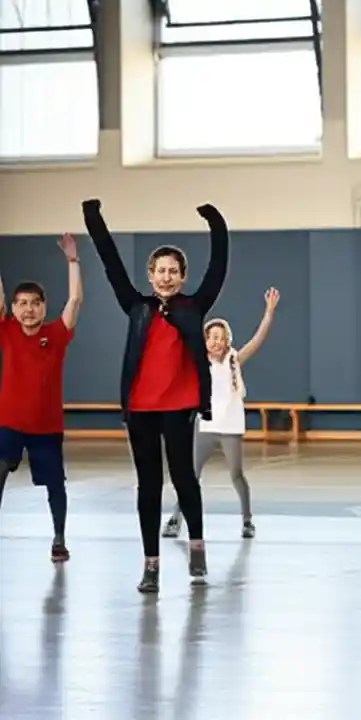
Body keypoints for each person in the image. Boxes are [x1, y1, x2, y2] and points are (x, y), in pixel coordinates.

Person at [82, 198, 229, 593]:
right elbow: (111, 262)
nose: (166, 277)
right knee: (148, 485)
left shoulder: (193, 307)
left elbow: (218, 268)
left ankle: (197, 545)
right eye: (160, 270)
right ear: (150, 275)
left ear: (182, 276)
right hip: (142, 407)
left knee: (184, 479)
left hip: (178, 407)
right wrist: (93, 217)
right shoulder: (137, 307)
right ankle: (151, 564)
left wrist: (215, 223)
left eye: (173, 271)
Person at [163, 288, 280, 541]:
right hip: (205, 427)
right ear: (205, 341)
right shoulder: (197, 362)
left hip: (230, 428)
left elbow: (257, 340)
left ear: (227, 341)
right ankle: (176, 518)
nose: (215, 341)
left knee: (236, 474)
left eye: (220, 337)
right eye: (211, 337)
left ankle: (247, 521)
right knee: (190, 475)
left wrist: (268, 314)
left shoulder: (234, 360)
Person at [0, 233, 83, 562]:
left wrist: (72, 261)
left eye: (35, 303)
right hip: (9, 422)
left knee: (55, 486)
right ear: (14, 308)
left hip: (46, 427)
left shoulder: (56, 334)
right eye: (22, 303)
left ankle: (59, 538)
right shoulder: (6, 330)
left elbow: (74, 301)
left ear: (44, 306)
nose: (28, 309)